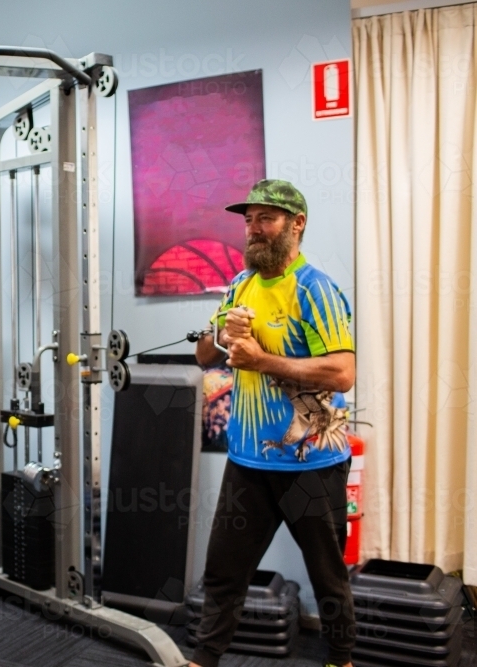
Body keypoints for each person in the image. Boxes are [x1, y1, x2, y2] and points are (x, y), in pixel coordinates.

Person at [192, 179, 356, 667]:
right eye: (248, 221)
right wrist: (221, 331)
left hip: (313, 464)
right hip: (248, 460)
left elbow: (343, 370)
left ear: (296, 225)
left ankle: (341, 659)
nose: (253, 229)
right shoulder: (240, 286)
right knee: (223, 572)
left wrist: (263, 360)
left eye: (266, 219)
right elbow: (205, 356)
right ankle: (202, 659)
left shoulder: (316, 290)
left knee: (327, 576)